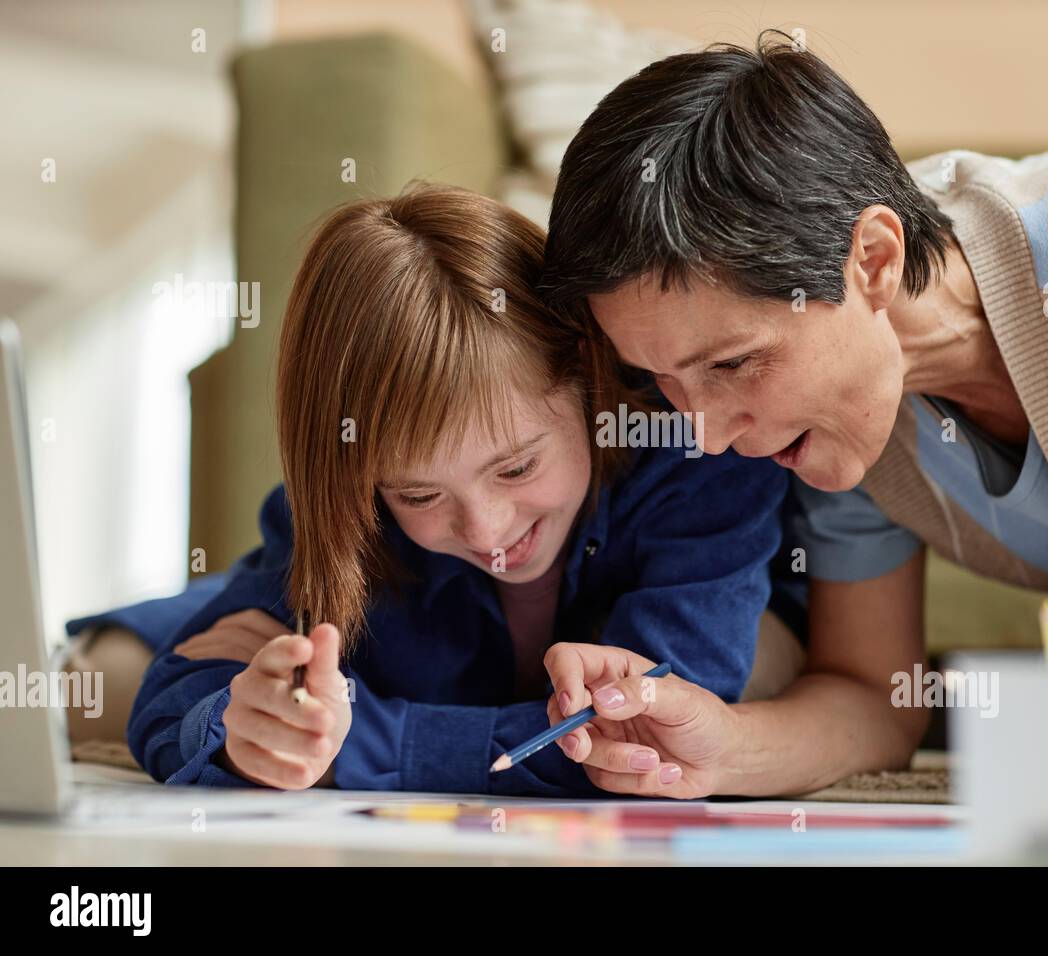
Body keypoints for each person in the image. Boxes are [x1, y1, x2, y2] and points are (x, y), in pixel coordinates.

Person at [531, 32, 1048, 798]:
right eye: (661, 377)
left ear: (873, 260)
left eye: (731, 364)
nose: (706, 432)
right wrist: (713, 748)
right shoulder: (845, 412)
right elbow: (871, 694)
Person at [65, 184, 788, 795]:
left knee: (766, 664)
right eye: (418, 495)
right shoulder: (339, 511)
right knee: (90, 684)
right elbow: (177, 707)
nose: (486, 529)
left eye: (515, 468)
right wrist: (246, 730)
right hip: (279, 597)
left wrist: (359, 747)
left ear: (588, 378)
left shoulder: (695, 451)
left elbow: (644, 743)